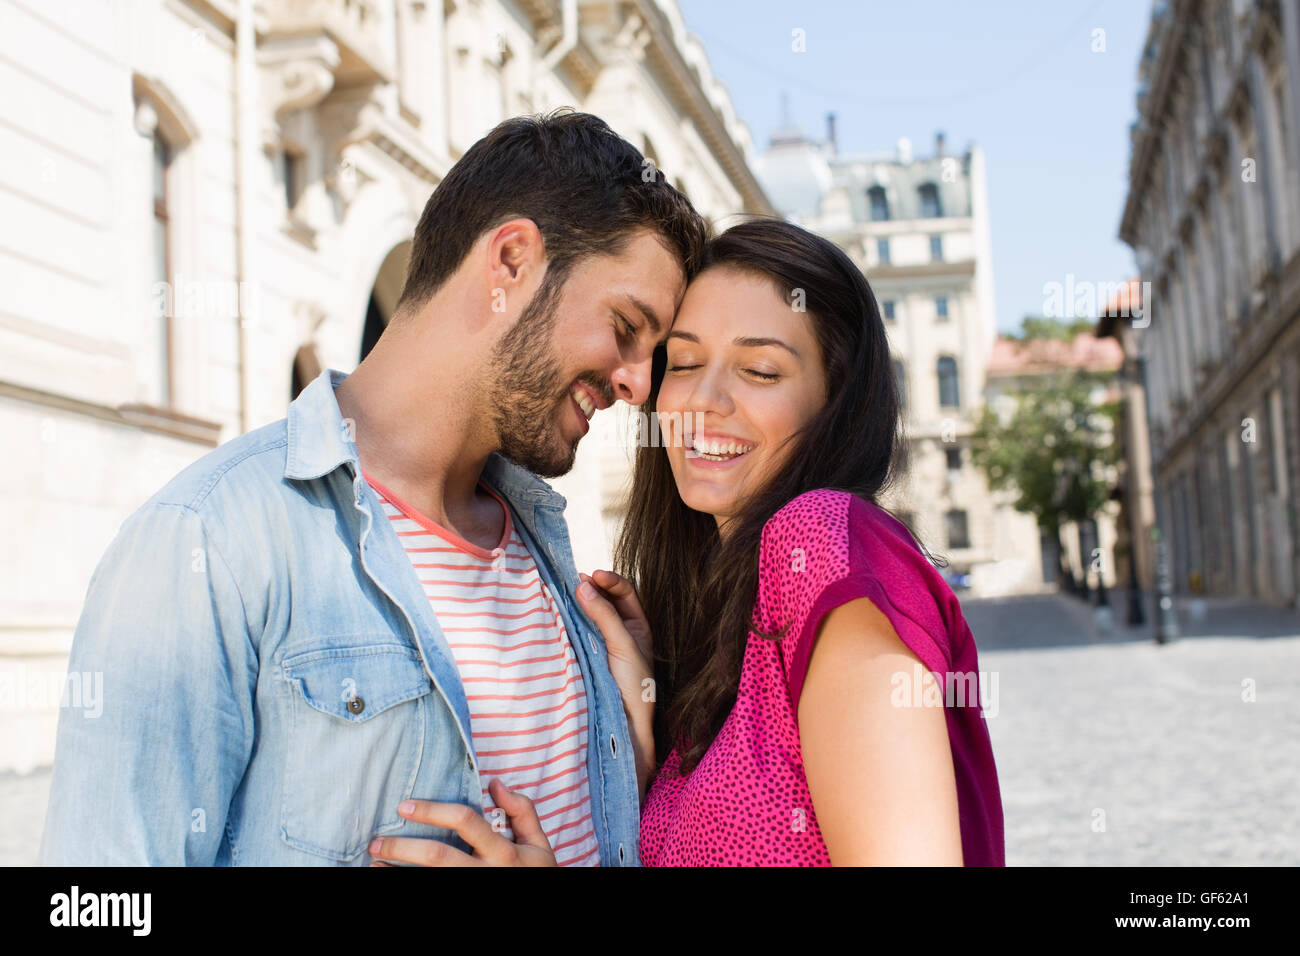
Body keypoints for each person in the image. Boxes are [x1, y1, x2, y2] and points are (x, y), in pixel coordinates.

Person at [37, 109, 707, 866]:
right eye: (625, 326)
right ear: (513, 260)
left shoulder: (557, 565)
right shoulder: (210, 541)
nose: (638, 386)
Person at [391, 217, 1005, 866]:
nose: (704, 400)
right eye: (683, 363)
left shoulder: (820, 537)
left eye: (761, 371)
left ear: (837, 403)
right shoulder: (722, 635)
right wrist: (646, 728)